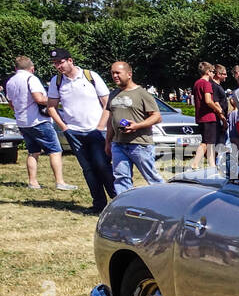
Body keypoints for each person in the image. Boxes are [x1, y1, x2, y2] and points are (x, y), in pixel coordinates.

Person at [45, 47, 115, 214]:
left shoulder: (90, 76)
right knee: (88, 169)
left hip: (96, 130)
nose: (58, 66)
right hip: (74, 132)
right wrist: (64, 128)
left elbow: (107, 103)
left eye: (60, 62)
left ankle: (117, 200)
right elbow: (51, 107)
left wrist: (100, 127)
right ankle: (98, 204)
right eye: (55, 63)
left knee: (102, 165)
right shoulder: (57, 81)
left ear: (70, 60)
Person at [5, 56, 69, 191]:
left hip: (22, 122)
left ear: (16, 68)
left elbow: (11, 104)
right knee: (55, 150)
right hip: (38, 120)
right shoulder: (31, 79)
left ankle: (33, 182)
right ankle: (60, 182)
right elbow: (39, 98)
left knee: (33, 151)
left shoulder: (10, 81)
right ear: (32, 69)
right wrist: (54, 100)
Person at [105, 61, 164, 191]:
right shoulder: (113, 94)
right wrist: (108, 141)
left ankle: (166, 201)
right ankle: (124, 206)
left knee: (152, 178)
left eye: (118, 73)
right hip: (118, 144)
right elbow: (111, 119)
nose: (115, 76)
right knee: (121, 178)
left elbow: (157, 117)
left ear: (129, 74)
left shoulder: (142, 93)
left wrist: (137, 126)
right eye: (112, 73)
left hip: (139, 145)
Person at [189, 61, 226, 169]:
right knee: (206, 142)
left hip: (200, 117)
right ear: (207, 72)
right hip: (209, 117)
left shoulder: (197, 83)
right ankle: (195, 163)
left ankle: (212, 165)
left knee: (209, 143)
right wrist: (218, 110)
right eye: (212, 72)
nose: (213, 74)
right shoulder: (206, 84)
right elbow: (208, 101)